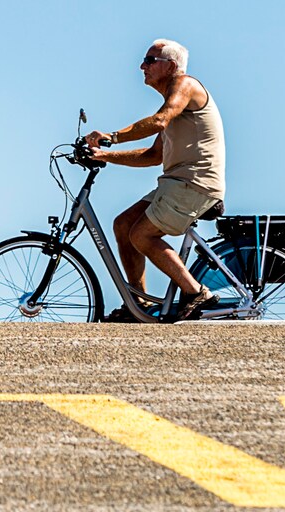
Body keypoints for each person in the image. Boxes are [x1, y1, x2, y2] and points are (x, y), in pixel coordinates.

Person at [84, 39, 225, 321]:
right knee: (123, 225)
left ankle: (196, 292)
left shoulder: (184, 85)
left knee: (141, 234)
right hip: (176, 183)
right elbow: (153, 155)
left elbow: (159, 121)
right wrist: (104, 156)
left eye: (149, 60)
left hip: (195, 183)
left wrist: (113, 137)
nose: (142, 66)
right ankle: (138, 305)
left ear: (170, 66)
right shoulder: (173, 103)